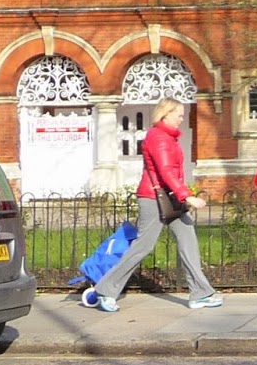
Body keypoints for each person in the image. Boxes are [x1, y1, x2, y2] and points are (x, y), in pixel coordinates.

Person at [84, 97, 222, 311]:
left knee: (188, 241)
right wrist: (187, 196)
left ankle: (200, 293)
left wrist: (181, 196)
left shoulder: (168, 138)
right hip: (154, 199)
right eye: (178, 114)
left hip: (169, 198)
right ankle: (105, 290)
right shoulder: (158, 138)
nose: (181, 118)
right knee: (143, 246)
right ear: (166, 114)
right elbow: (166, 172)